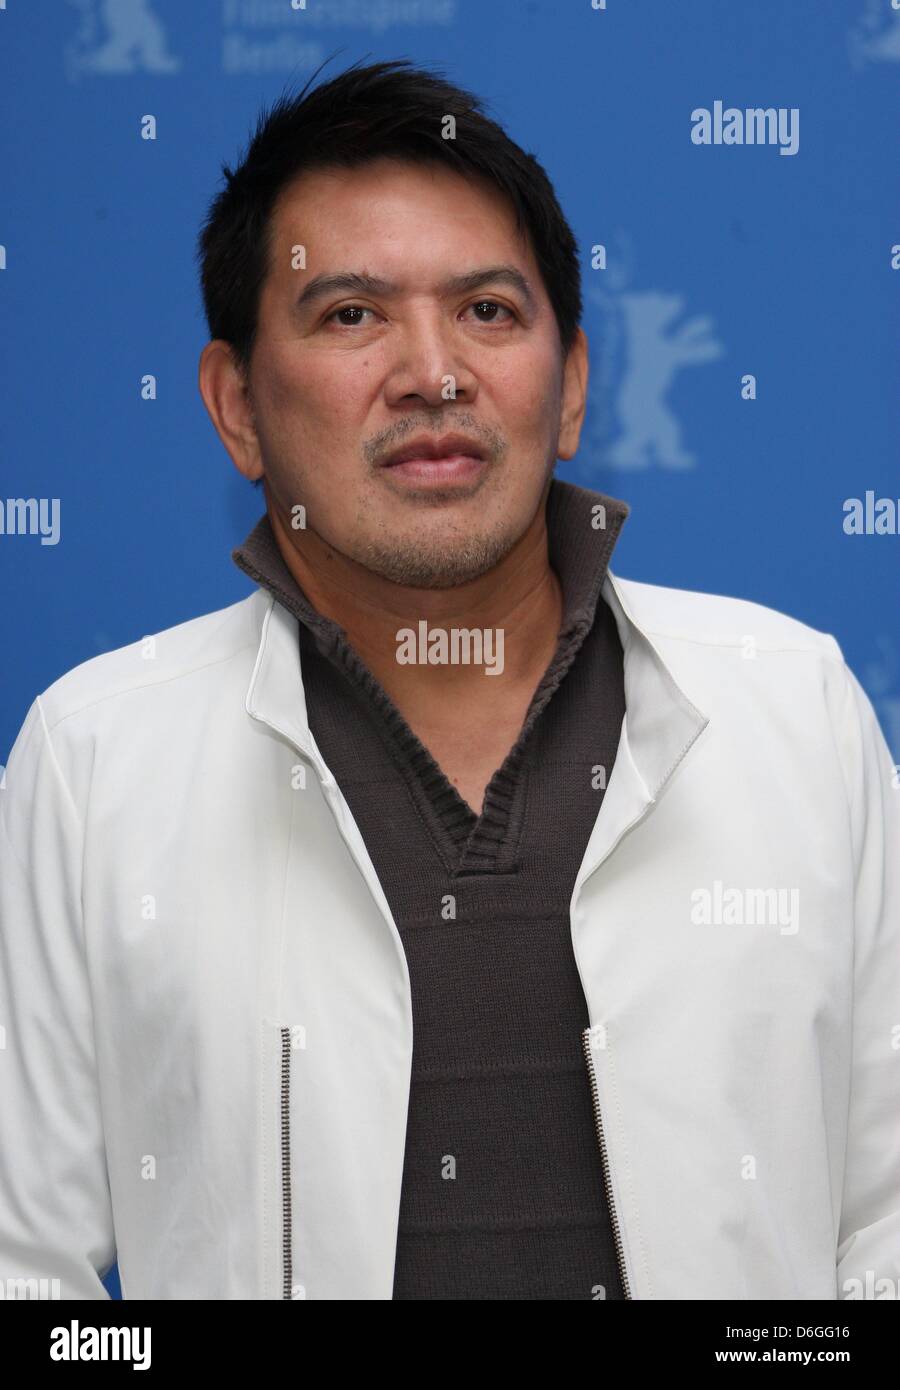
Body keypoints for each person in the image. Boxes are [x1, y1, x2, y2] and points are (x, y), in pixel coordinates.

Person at [0, 58, 897, 1301]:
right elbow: (24, 1270)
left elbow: (887, 1226)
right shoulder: (94, 760)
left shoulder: (796, 710)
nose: (435, 373)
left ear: (571, 383)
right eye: (351, 314)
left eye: (488, 310)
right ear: (236, 407)